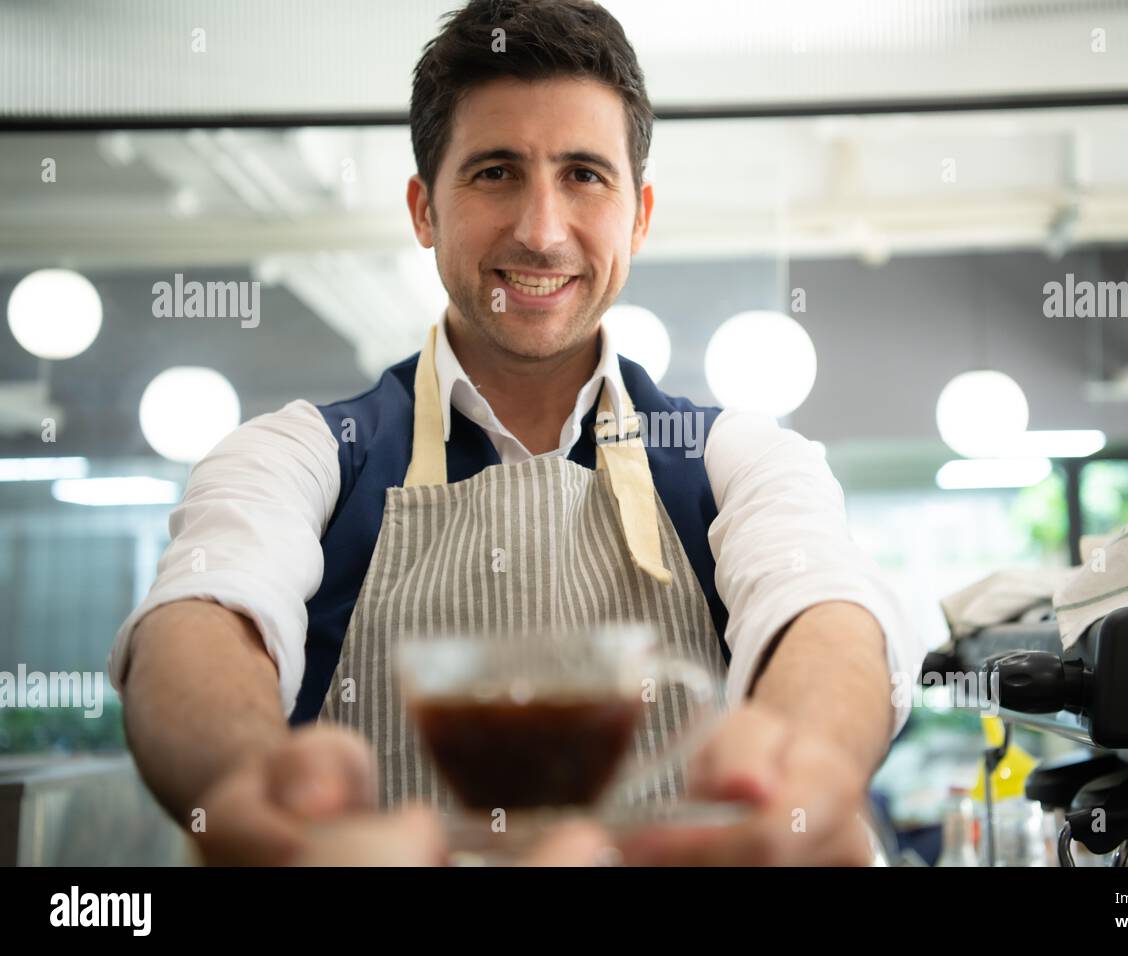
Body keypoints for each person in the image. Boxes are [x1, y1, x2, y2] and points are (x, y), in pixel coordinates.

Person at [111, 0, 924, 866]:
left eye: (584, 175)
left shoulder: (739, 459)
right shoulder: (303, 454)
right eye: (496, 172)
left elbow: (825, 611)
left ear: (639, 215)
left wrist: (801, 772)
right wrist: (243, 782)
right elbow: (202, 614)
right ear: (424, 210)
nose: (541, 232)